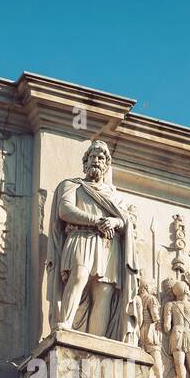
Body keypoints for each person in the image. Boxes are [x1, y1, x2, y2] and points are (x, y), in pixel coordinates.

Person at [50, 141, 138, 343]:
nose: (96, 161)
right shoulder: (72, 185)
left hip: (108, 245)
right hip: (81, 237)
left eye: (101, 158)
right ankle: (65, 325)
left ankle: (96, 342)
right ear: (85, 162)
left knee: (103, 291)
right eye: (92, 157)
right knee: (78, 277)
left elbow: (128, 221)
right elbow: (65, 210)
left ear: (106, 165)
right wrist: (96, 221)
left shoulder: (114, 195)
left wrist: (115, 221)